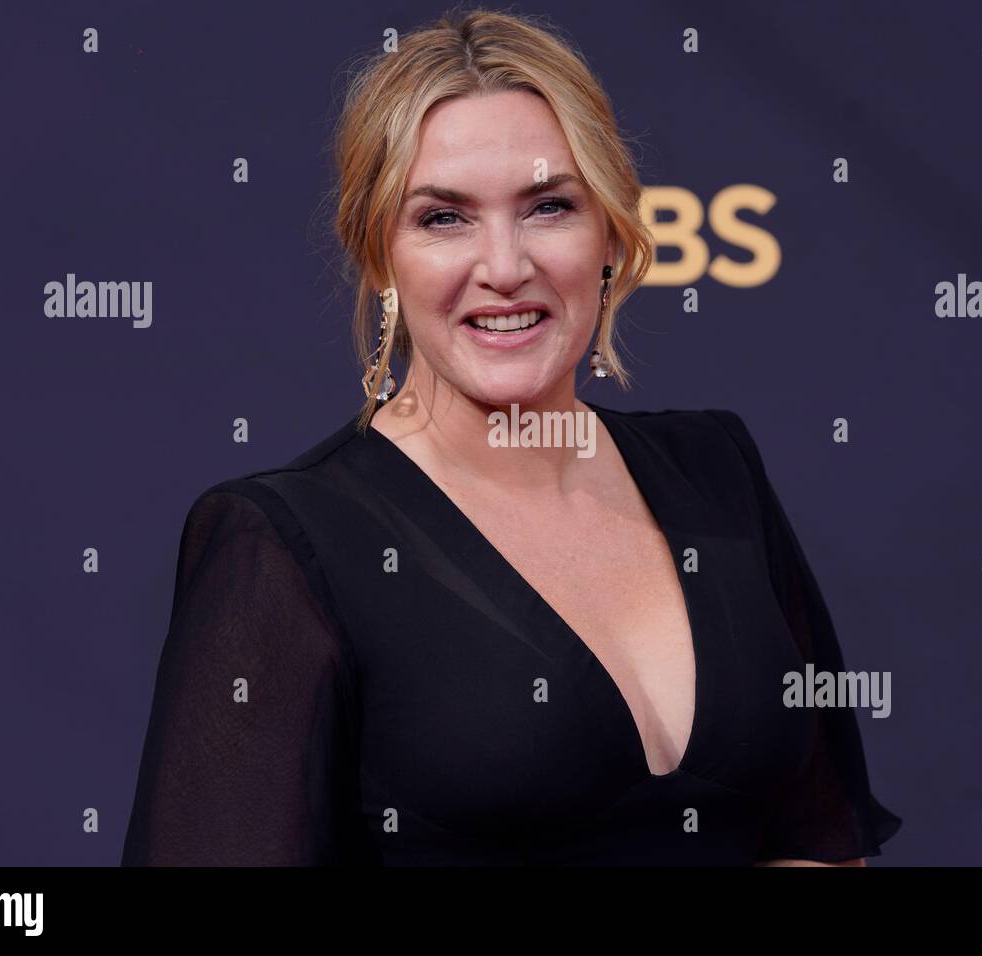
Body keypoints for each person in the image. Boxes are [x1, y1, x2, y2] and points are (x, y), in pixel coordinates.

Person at [121, 7, 901, 866]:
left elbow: (818, 840)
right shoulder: (283, 545)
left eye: (548, 207)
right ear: (380, 256)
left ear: (611, 232)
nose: (503, 265)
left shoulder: (717, 472)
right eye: (443, 218)